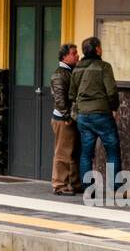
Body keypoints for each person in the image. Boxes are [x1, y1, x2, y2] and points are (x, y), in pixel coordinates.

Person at [71, 36, 122, 191]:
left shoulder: (77, 68)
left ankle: (88, 188)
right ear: (97, 49)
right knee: (112, 151)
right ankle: (116, 188)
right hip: (102, 115)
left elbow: (72, 94)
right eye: (100, 47)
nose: (102, 49)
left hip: (83, 117)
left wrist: (79, 110)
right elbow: (111, 91)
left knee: (86, 153)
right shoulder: (104, 67)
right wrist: (114, 108)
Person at [49, 42, 80, 194]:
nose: (77, 56)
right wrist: (67, 117)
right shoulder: (60, 74)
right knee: (63, 152)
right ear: (65, 56)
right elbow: (60, 99)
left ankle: (73, 182)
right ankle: (60, 184)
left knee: (72, 151)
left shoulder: (69, 72)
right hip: (63, 119)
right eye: (74, 53)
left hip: (69, 117)